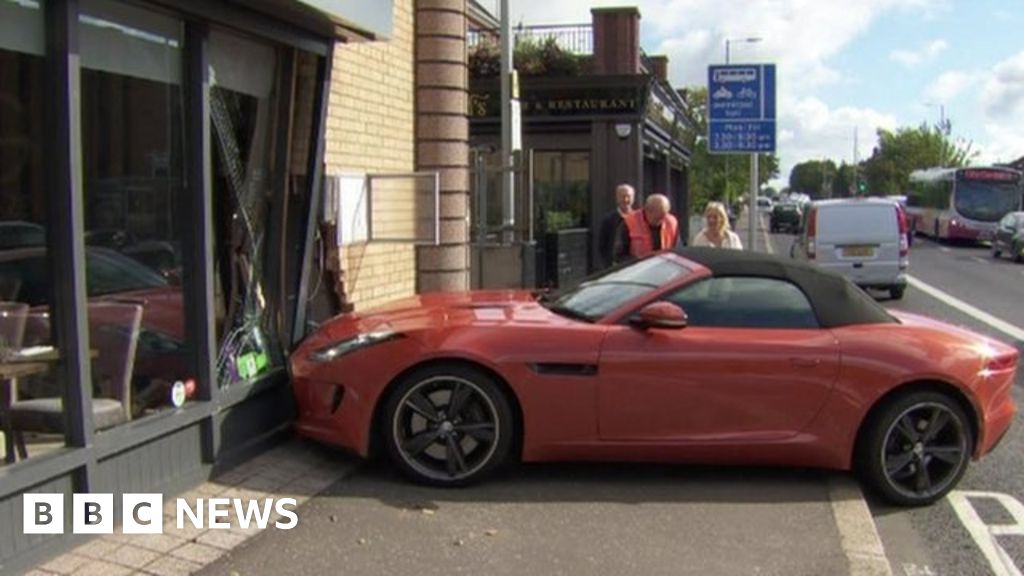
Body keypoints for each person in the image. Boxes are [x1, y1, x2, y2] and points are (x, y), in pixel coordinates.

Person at [612, 194, 679, 263]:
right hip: (638, 269)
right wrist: (639, 263)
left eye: (664, 216)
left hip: (664, 268)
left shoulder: (671, 222)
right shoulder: (630, 222)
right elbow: (619, 256)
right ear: (647, 211)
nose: (661, 221)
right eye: (658, 218)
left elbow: (678, 251)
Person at [596, 183, 635, 269]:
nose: (626, 199)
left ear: (633, 198)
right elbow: (602, 246)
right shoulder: (608, 220)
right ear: (617, 198)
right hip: (614, 267)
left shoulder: (639, 219)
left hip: (634, 266)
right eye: (622, 196)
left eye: (628, 196)